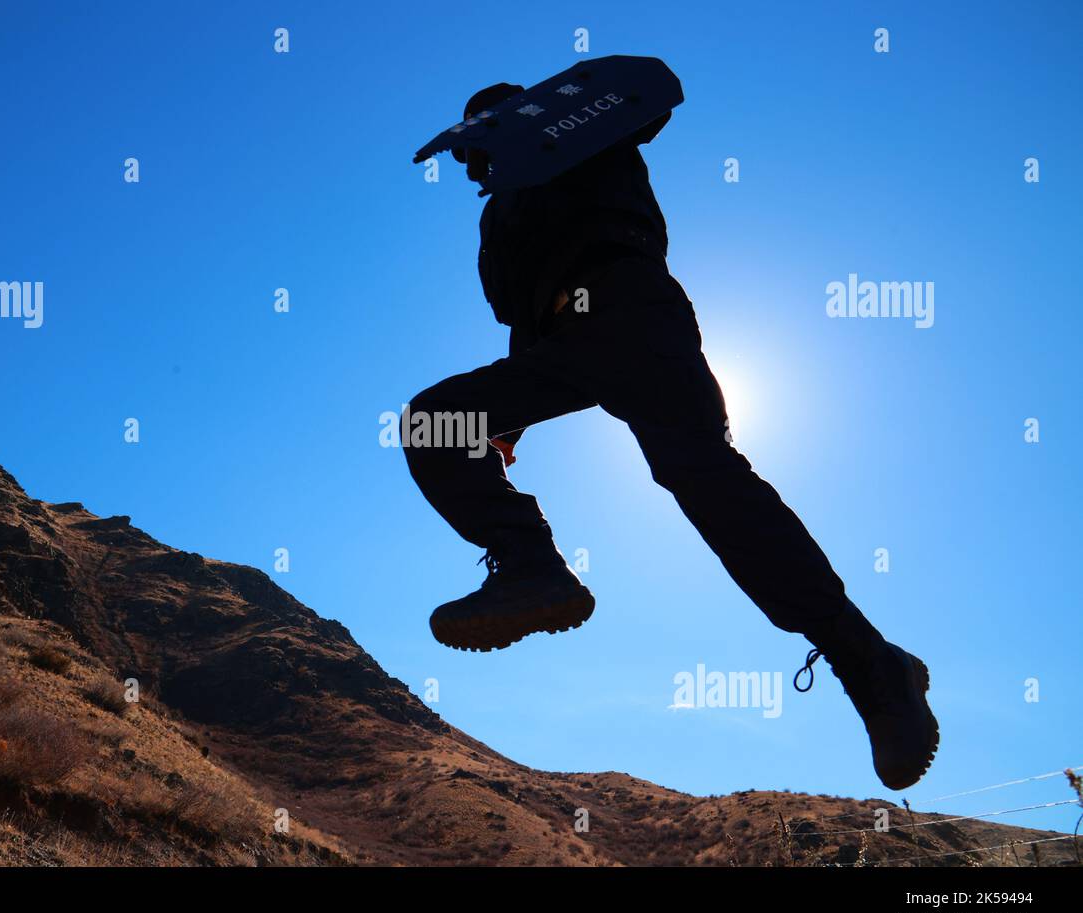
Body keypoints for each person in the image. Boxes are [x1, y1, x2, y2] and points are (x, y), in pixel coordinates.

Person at [402, 82, 939, 790]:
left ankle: (869, 664)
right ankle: (532, 568)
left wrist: (561, 117)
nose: (470, 166)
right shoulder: (502, 212)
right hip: (565, 342)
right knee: (434, 422)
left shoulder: (587, 139)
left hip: (633, 314)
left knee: (707, 483)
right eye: (469, 154)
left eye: (476, 146)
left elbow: (650, 99)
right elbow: (525, 315)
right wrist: (507, 421)